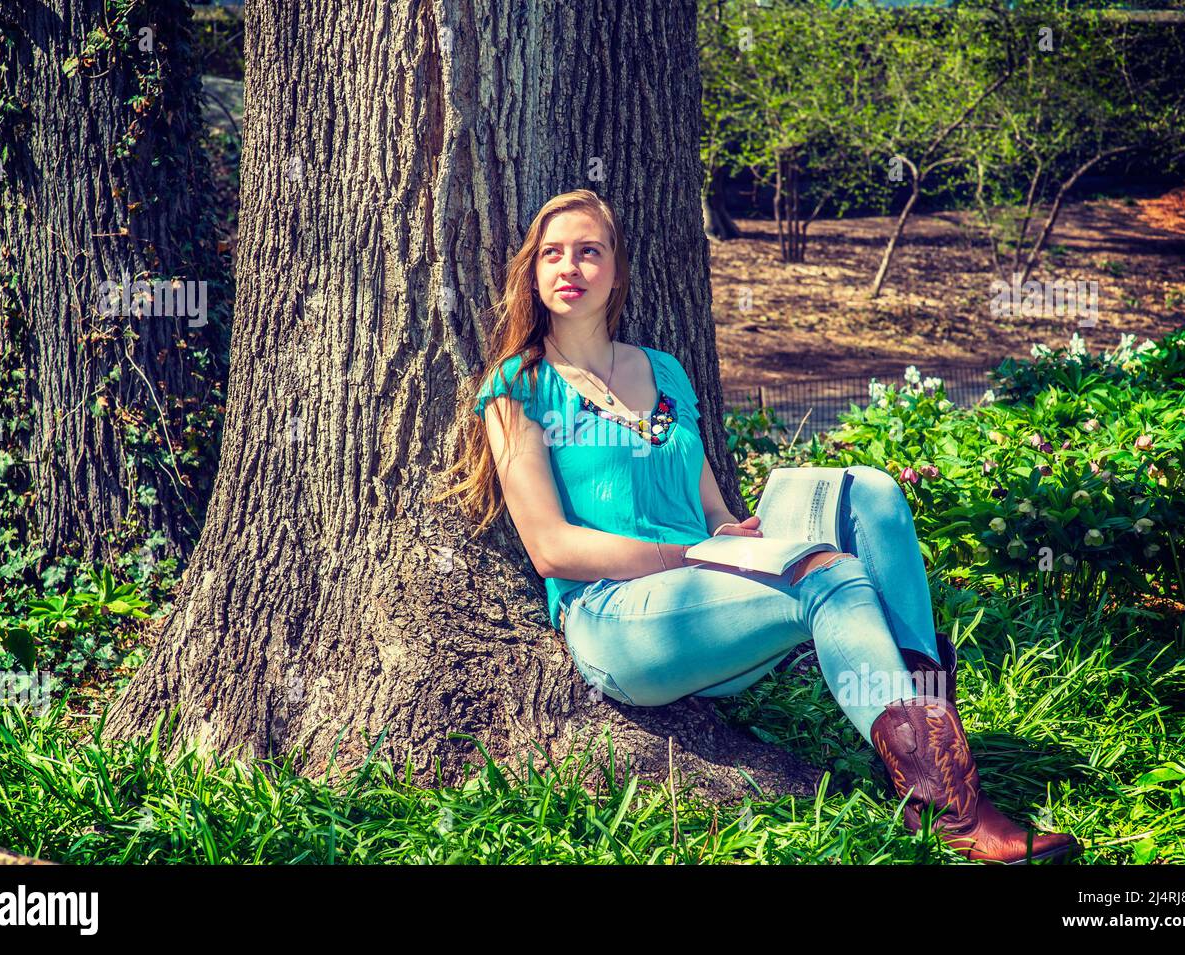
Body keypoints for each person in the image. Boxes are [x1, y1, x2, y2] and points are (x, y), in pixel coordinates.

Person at [432, 188, 1079, 865]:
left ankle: (943, 748)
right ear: (533, 273)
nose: (571, 266)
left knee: (874, 493)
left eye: (590, 251)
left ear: (616, 272)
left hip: (709, 582)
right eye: (552, 254)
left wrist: (728, 537)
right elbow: (551, 548)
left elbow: (710, 505)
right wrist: (695, 555)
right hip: (618, 620)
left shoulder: (662, 372)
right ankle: (950, 810)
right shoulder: (518, 385)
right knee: (826, 576)